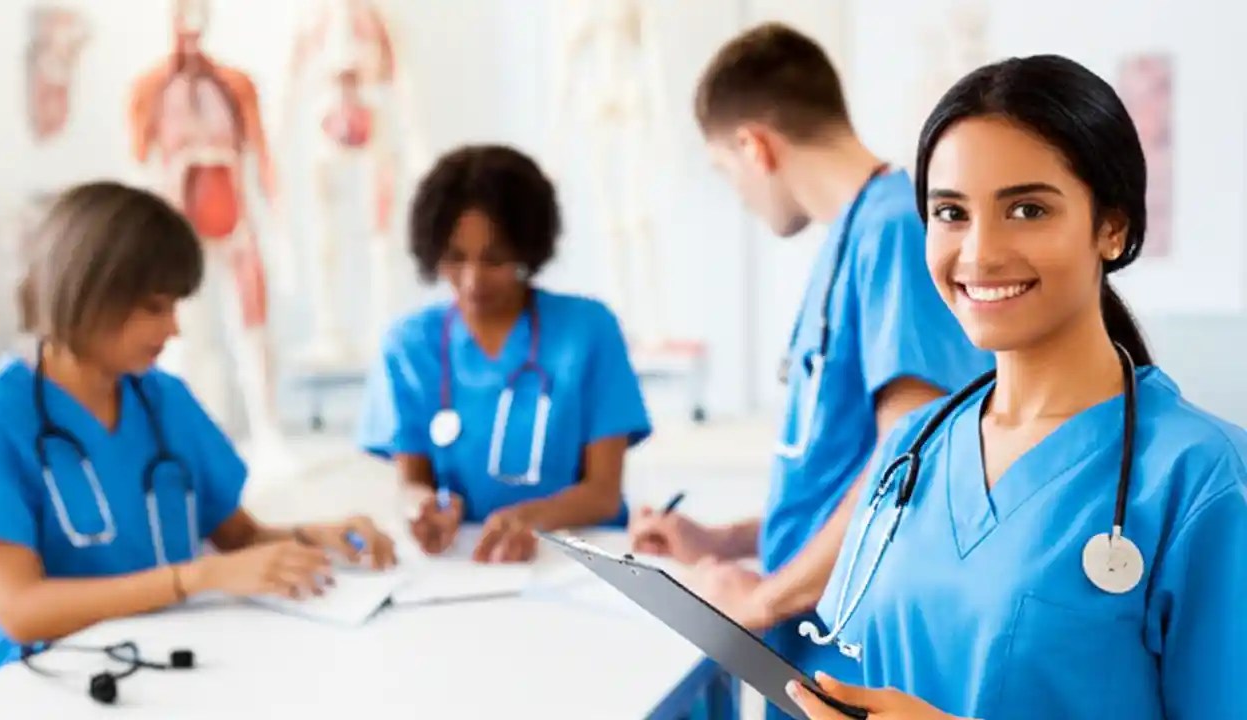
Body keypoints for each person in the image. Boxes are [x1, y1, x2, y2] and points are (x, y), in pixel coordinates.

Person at [788, 54, 1247, 720]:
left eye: (1027, 209)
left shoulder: (1203, 481)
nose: (978, 253)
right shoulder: (913, 449)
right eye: (950, 213)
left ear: (1112, 226)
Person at [628, 23, 991, 716]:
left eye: (724, 170)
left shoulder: (896, 229)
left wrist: (763, 596)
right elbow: (835, 467)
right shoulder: (848, 240)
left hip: (857, 657)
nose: (736, 192)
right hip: (806, 647)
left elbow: (908, 457)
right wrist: (728, 539)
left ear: (753, 146)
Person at [0, 181, 396, 682]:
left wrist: (314, 536)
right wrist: (196, 578)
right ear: (86, 293)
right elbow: (21, 609)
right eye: (155, 308)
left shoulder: (164, 400)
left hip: (163, 662)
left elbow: (237, 536)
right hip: (38, 681)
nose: (174, 329)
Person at [357, 144, 652, 564]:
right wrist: (419, 507)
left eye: (494, 259)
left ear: (528, 250)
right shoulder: (409, 344)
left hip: (580, 554)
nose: (472, 280)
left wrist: (535, 517)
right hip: (465, 560)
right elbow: (411, 483)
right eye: (455, 258)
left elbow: (604, 495)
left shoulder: (588, 330)